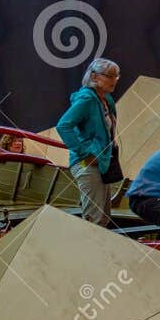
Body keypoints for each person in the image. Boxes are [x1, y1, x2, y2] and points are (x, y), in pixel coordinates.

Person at [55, 57, 121, 226]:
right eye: (109, 76)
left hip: (102, 163)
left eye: (116, 76)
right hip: (87, 164)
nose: (114, 80)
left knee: (103, 217)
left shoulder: (106, 99)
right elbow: (63, 126)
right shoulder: (87, 99)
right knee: (94, 220)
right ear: (94, 76)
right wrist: (85, 153)